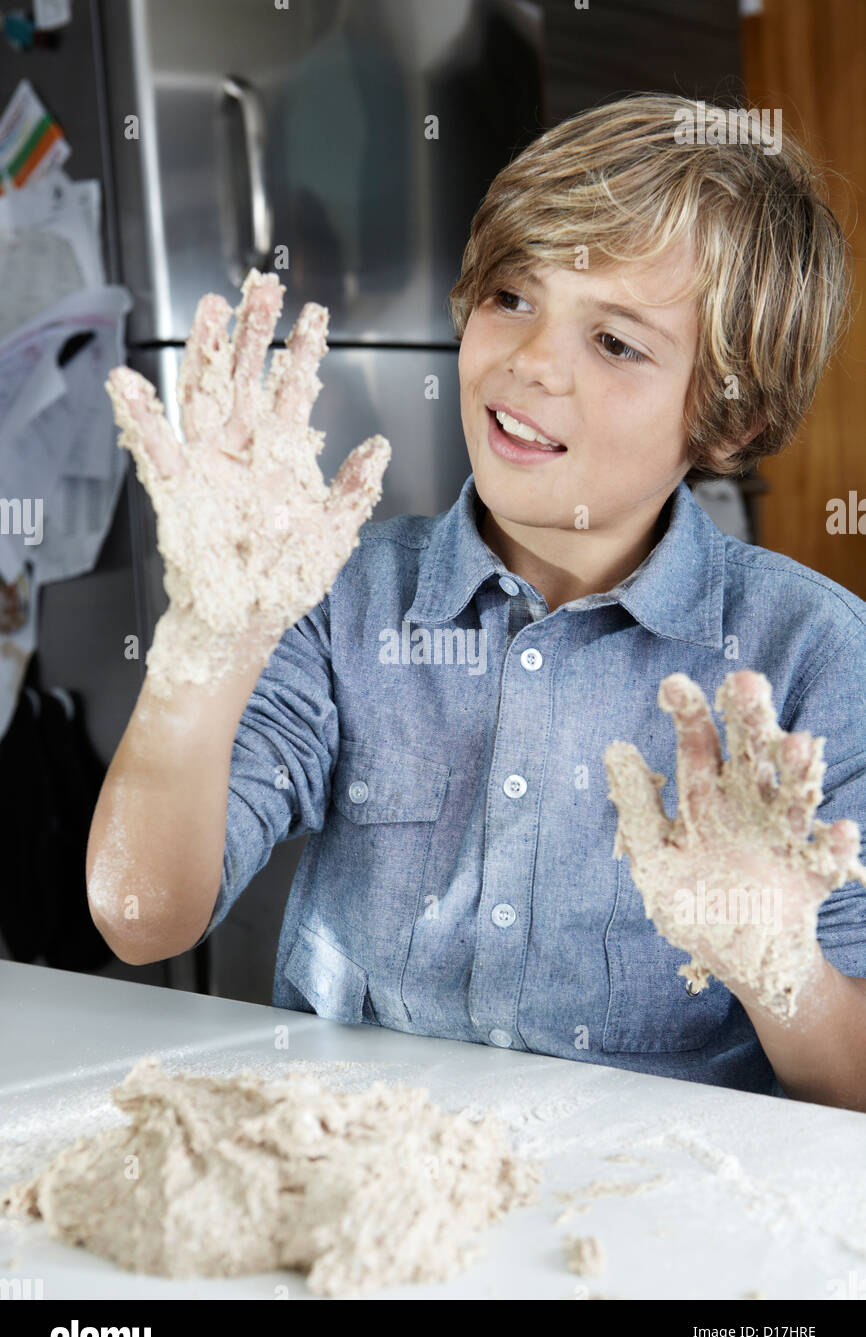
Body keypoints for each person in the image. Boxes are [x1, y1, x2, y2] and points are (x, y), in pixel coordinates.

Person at [88, 93, 866, 1108]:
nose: (531, 359)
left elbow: (850, 1088)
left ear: (731, 418)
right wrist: (206, 639)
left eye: (616, 342)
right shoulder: (331, 590)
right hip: (357, 1187)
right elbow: (142, 916)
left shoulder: (812, 654)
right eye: (511, 296)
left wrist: (774, 961)